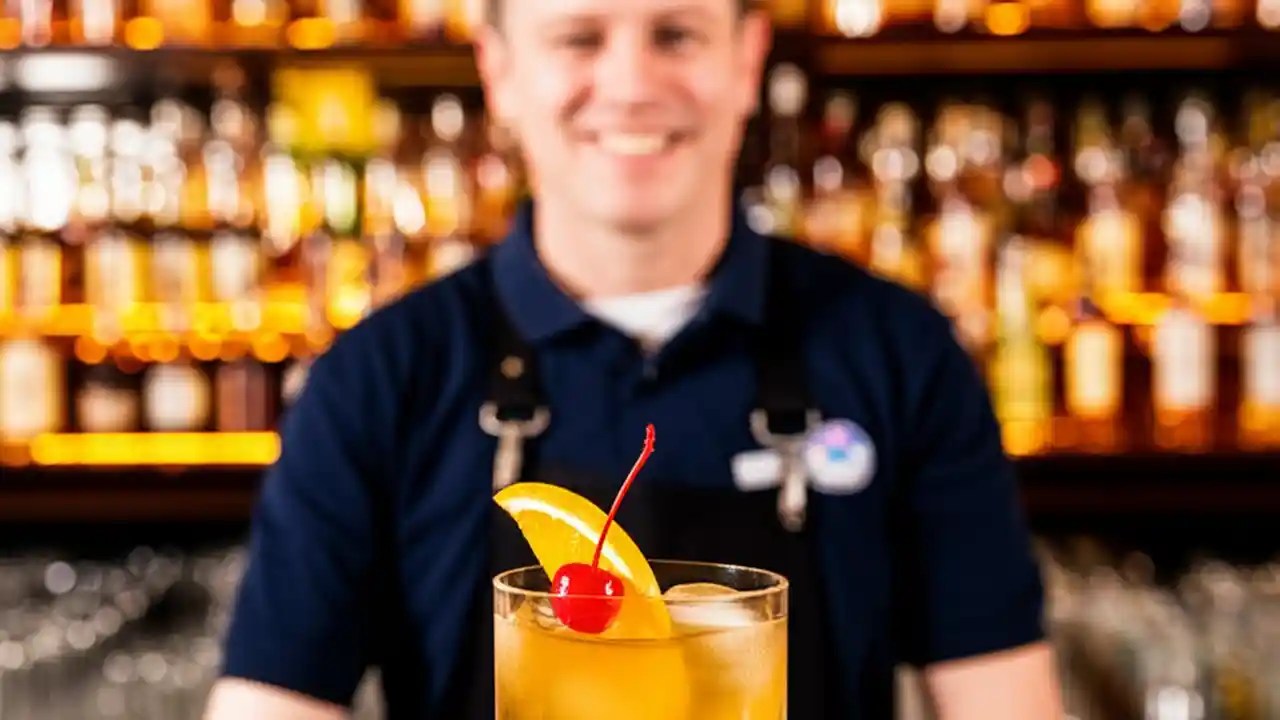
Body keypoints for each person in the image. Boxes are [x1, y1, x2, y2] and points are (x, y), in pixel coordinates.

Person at [204, 0, 1066, 717]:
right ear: (497, 70)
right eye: (580, 37)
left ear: (748, 60)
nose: (630, 85)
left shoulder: (901, 351)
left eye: (676, 34)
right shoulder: (378, 376)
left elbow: (1005, 697)